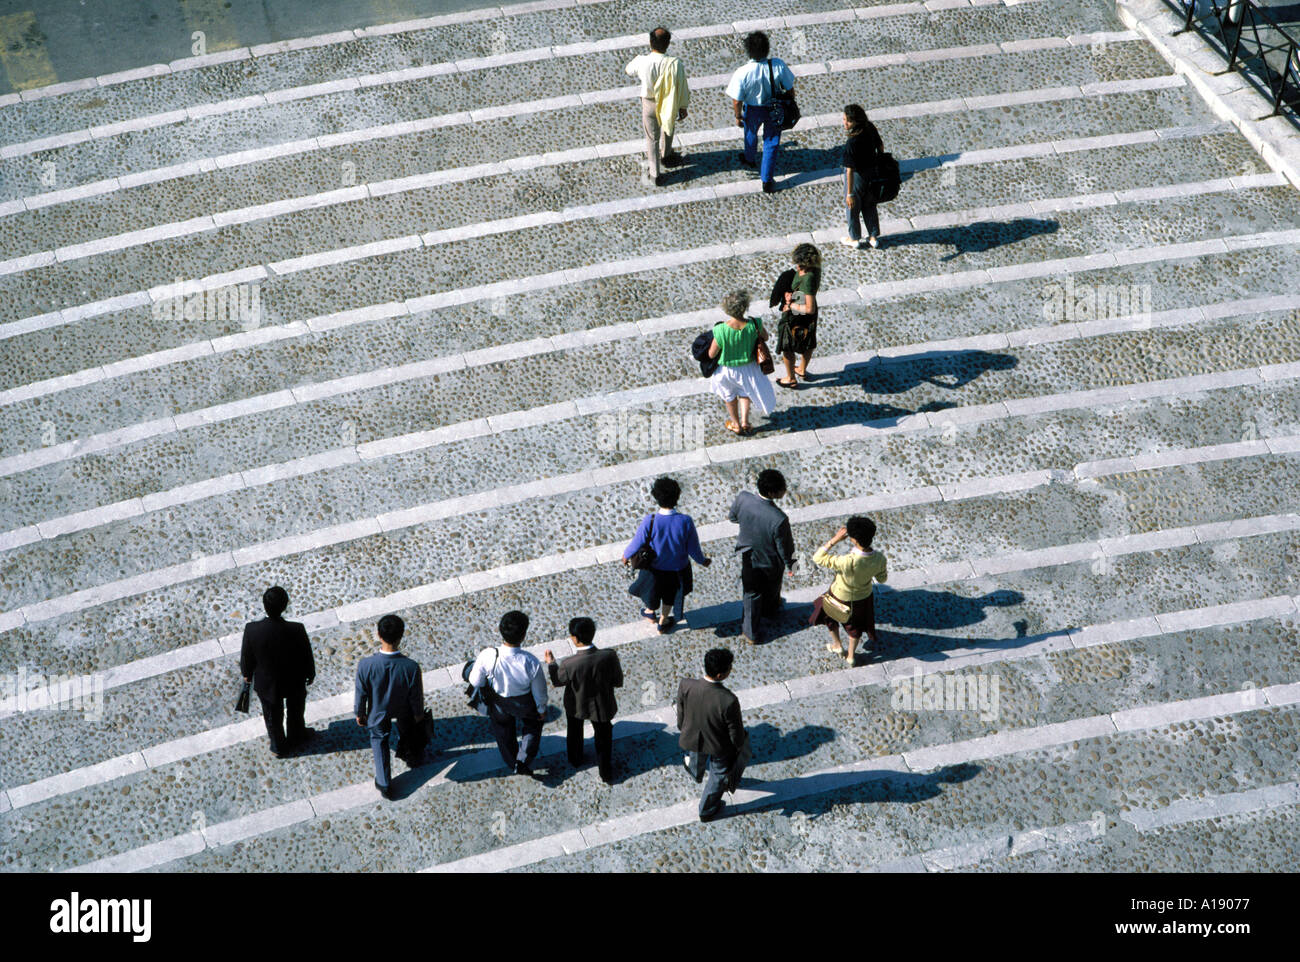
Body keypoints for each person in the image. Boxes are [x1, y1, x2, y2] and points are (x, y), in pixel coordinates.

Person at [622, 476, 712, 632]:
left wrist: (625, 556)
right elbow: (693, 548)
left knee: (651, 591)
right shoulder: (685, 521)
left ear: (656, 497)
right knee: (670, 596)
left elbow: (637, 543)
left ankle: (650, 612)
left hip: (654, 568)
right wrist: (702, 561)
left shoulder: (650, 520)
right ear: (677, 496)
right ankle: (663, 621)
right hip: (677, 569)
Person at [543, 617, 623, 784]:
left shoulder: (569, 663)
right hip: (602, 704)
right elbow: (617, 681)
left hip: (576, 704)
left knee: (574, 732)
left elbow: (558, 681)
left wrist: (551, 664)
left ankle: (575, 759)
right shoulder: (609, 655)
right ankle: (606, 773)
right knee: (603, 738)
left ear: (575, 638)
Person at [468, 610, 548, 776]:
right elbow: (540, 692)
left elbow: (475, 681)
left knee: (504, 733)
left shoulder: (488, 655)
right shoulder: (531, 662)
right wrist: (541, 709)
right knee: (533, 727)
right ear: (523, 635)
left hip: (499, 703)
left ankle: (513, 762)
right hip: (524, 703)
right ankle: (524, 759)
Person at [239, 585, 315, 758]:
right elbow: (306, 654)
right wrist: (310, 673)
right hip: (294, 679)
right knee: (296, 710)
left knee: (272, 716)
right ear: (285, 605)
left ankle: (278, 745)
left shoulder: (252, 630)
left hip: (267, 683)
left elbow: (247, 656)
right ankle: (297, 735)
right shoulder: (296, 629)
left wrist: (247, 674)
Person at [354, 613, 424, 799]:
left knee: (379, 739)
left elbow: (361, 693)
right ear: (401, 636)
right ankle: (411, 756)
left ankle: (384, 782)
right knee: (407, 729)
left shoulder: (366, 665)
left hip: (378, 710)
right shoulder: (411, 667)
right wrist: (418, 714)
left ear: (378, 635)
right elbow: (416, 696)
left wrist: (360, 713)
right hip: (403, 708)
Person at [676, 648, 747, 822]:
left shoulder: (686, 684)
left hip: (692, 735)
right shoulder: (729, 700)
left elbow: (681, 710)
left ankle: (695, 771)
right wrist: (740, 746)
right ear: (720, 675)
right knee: (718, 775)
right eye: (730, 667)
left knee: (696, 754)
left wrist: (682, 727)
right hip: (719, 745)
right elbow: (735, 732)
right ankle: (706, 809)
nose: (731, 669)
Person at [729, 469, 796, 645]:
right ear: (773, 493)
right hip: (769, 562)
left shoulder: (743, 498)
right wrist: (793, 566)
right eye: (782, 488)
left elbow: (732, 517)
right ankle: (751, 631)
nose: (785, 490)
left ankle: (763, 615)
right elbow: (786, 548)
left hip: (748, 556)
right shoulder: (779, 518)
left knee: (752, 593)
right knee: (763, 591)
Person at [809, 517, 888, 665]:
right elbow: (882, 579)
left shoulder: (846, 561)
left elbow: (817, 557)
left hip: (839, 595)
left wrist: (834, 540)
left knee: (829, 617)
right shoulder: (880, 558)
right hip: (863, 598)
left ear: (854, 540)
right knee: (855, 627)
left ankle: (837, 645)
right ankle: (851, 656)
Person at [725, 31, 796, 193]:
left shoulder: (742, 72)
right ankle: (767, 180)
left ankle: (749, 158)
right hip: (774, 109)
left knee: (750, 133)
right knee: (771, 142)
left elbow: (737, 100)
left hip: (753, 109)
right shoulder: (778, 65)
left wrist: (738, 116)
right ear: (767, 49)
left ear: (748, 51)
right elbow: (789, 88)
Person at [625, 27, 690, 187]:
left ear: (650, 42)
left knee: (652, 138)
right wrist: (683, 107)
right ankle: (666, 155)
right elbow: (682, 86)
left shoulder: (642, 61)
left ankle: (655, 174)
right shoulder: (675, 64)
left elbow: (628, 70)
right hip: (668, 102)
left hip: (649, 102)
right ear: (668, 44)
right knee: (668, 128)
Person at [709, 289, 776, 436]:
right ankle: (745, 422)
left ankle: (736, 424)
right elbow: (765, 338)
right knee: (745, 393)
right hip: (748, 368)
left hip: (727, 370)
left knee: (729, 396)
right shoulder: (755, 324)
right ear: (745, 306)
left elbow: (711, 354)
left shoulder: (720, 329)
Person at [775, 243, 821, 388]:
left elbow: (809, 308)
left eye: (800, 264)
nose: (797, 266)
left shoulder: (808, 278)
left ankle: (790, 378)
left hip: (798, 313)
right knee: (808, 341)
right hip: (803, 309)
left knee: (787, 346)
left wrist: (790, 306)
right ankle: (801, 369)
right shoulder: (815, 269)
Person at [842, 103, 885, 249]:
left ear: (856, 121)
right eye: (844, 119)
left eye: (848, 121)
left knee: (852, 207)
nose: (845, 123)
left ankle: (854, 238)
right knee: (869, 204)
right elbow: (880, 146)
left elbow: (849, 170)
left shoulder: (851, 143)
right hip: (872, 174)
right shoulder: (869, 127)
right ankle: (873, 236)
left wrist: (849, 194)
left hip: (857, 177)